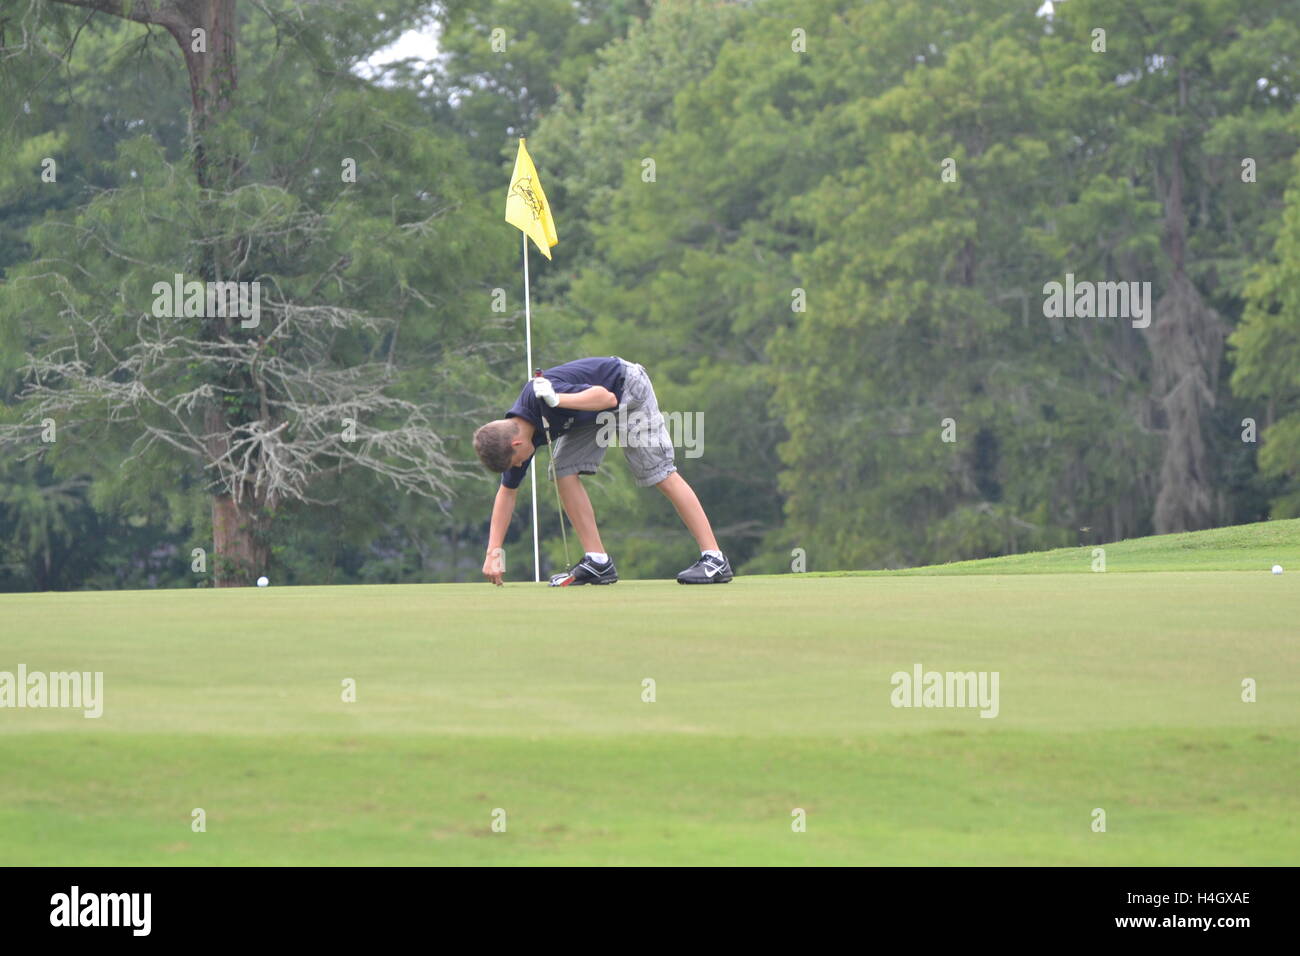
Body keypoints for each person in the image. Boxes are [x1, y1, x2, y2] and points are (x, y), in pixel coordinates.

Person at [472, 356, 733, 586]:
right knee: (563, 470)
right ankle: (598, 562)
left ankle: (715, 559)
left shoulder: (542, 398)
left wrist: (557, 398)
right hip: (589, 413)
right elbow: (507, 493)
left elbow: (607, 397)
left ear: (516, 444)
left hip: (626, 388)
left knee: (659, 473)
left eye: (515, 461)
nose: (518, 465)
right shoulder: (517, 435)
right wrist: (493, 552)